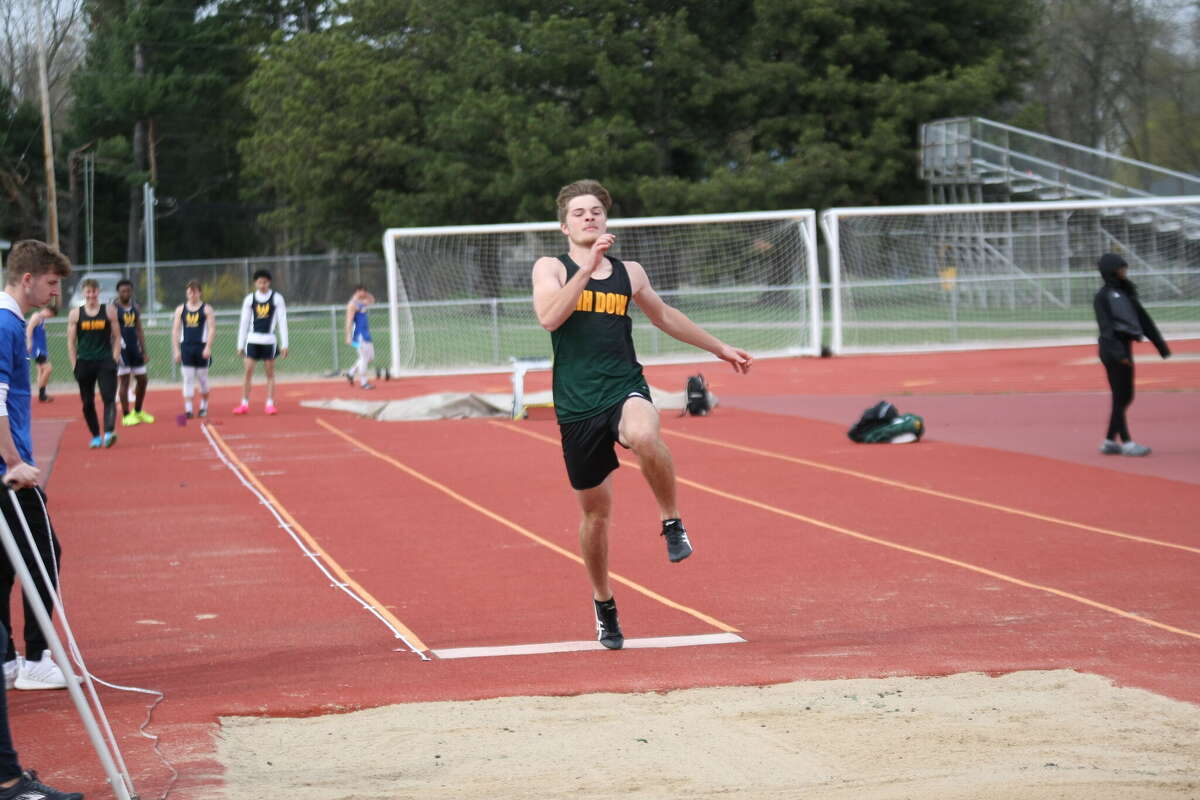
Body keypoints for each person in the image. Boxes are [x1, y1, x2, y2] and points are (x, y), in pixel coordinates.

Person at [530, 180, 752, 650]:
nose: (589, 217)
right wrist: (586, 268)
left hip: (623, 384)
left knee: (644, 435)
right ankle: (604, 602)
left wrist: (719, 348)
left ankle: (671, 521)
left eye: (596, 211)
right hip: (576, 403)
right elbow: (549, 317)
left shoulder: (629, 272)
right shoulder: (551, 267)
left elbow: (665, 316)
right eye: (579, 212)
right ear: (565, 225)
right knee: (596, 516)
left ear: (606, 220)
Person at [0, 240, 72, 696]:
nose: (55, 292)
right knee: (44, 555)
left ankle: (8, 659)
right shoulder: (6, 325)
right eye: (50, 282)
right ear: (27, 280)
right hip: (9, 472)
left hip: (8, 468)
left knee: (5, 563)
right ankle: (35, 659)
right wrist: (14, 462)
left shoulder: (10, 323)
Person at [1093, 252, 1170, 456]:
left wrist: (1160, 345)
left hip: (1125, 347)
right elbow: (1106, 328)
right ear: (1112, 271)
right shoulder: (1102, 297)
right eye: (1121, 268)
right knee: (1121, 396)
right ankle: (1126, 442)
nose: (1124, 271)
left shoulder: (1126, 292)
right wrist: (1119, 354)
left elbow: (1144, 320)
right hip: (1113, 349)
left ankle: (1110, 440)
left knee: (1125, 396)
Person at [65, 279, 121, 449]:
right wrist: (74, 364)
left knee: (108, 397)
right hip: (84, 362)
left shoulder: (109, 311)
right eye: (88, 292)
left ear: (98, 292)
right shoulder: (75, 314)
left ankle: (109, 433)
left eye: (94, 291)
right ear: (84, 293)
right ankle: (96, 436)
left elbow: (117, 337)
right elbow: (71, 342)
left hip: (105, 361)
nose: (91, 295)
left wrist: (114, 359)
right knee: (87, 403)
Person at [233, 270, 288, 415]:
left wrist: (285, 344)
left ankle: (269, 404)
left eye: (265, 282)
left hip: (269, 341)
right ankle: (244, 404)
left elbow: (282, 321)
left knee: (270, 373)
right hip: (252, 340)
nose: (262, 285)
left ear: (269, 282)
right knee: (248, 371)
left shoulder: (277, 298)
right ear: (255, 283)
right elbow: (244, 323)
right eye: (259, 282)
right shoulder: (250, 299)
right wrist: (240, 344)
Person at [171, 281, 216, 419]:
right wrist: (176, 350)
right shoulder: (180, 309)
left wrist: (208, 347)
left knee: (203, 380)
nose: (192, 294)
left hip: (201, 347)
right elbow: (176, 330)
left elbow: (212, 329)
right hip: (186, 347)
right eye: (190, 292)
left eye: (195, 291)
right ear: (187, 293)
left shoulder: (206, 309)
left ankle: (204, 406)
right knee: (188, 379)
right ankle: (188, 409)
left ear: (200, 293)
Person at [114, 279, 154, 427]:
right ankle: (126, 415)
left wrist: (144, 351)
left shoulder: (135, 307)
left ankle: (137, 411)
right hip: (121, 350)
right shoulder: (113, 309)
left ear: (132, 291)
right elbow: (109, 331)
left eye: (128, 291)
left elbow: (139, 330)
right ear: (118, 292)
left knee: (143, 380)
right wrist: (114, 350)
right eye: (123, 291)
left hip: (135, 349)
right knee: (124, 382)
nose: (126, 293)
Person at [344, 286, 376, 390]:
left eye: (365, 291)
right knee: (364, 358)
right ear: (357, 291)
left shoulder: (362, 302)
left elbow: (372, 300)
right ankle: (364, 382)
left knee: (370, 358)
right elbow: (349, 321)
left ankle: (351, 372)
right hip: (359, 335)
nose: (364, 293)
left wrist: (366, 294)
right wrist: (348, 336)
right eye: (362, 291)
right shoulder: (352, 305)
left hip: (366, 334)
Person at [24, 306, 54, 404]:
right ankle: (41, 393)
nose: (50, 317)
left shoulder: (41, 319)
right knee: (48, 369)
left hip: (41, 349)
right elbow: (29, 329)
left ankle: (42, 394)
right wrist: (29, 343)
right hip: (37, 350)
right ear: (48, 311)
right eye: (51, 315)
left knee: (41, 371)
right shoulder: (36, 317)